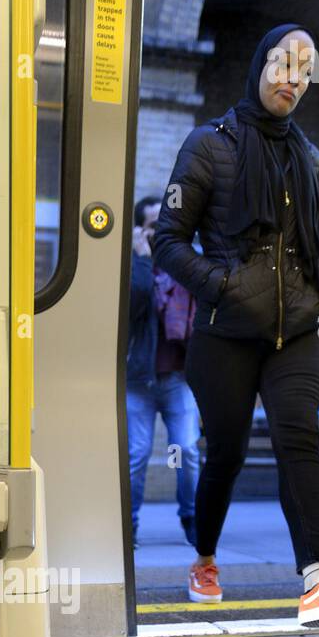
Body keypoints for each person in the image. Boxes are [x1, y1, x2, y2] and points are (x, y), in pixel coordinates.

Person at [152, 23, 319, 627]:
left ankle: (317, 580)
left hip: (300, 332)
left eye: (306, 71)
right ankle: (204, 557)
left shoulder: (310, 158)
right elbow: (167, 240)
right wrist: (224, 286)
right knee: (226, 453)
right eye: (285, 64)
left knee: (297, 439)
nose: (295, 79)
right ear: (261, 64)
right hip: (225, 333)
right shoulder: (208, 145)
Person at [126, 196, 201, 549]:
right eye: (154, 225)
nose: (162, 231)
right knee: (137, 454)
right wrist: (140, 257)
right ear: (141, 229)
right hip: (138, 380)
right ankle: (130, 526)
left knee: (185, 450)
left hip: (178, 379)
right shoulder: (131, 266)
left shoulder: (187, 263)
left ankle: (192, 517)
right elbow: (135, 303)